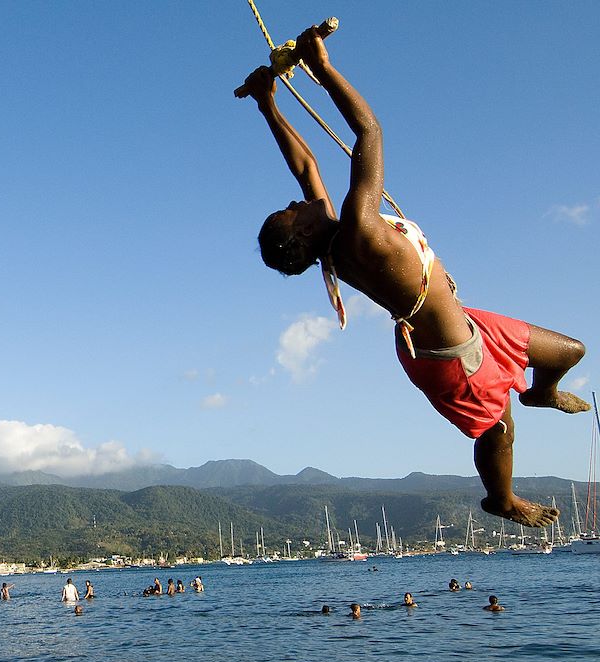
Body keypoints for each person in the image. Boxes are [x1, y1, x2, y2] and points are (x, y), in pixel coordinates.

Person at [240, 27, 588, 529]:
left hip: (462, 321)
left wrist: (267, 103)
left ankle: (542, 391)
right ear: (302, 237)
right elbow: (369, 134)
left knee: (570, 351)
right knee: (498, 430)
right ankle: (503, 499)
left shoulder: (334, 239)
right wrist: (323, 70)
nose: (297, 202)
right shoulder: (358, 231)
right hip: (450, 351)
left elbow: (307, 164)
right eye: (291, 212)